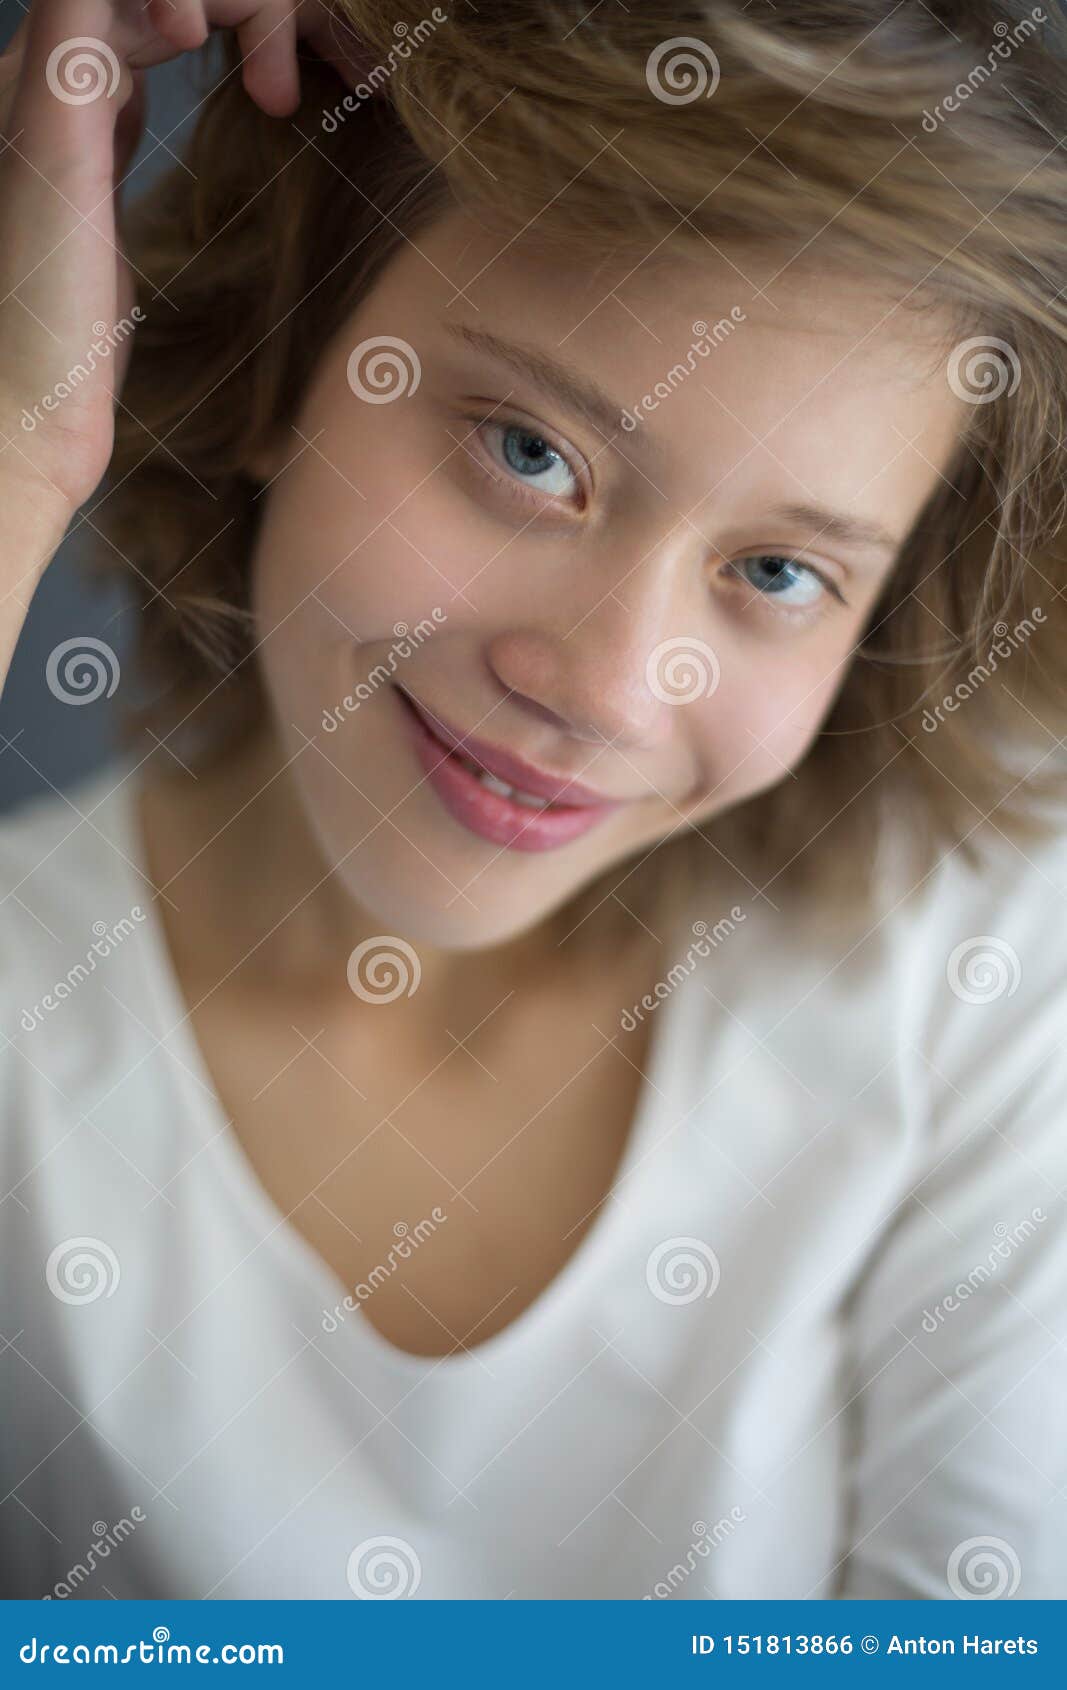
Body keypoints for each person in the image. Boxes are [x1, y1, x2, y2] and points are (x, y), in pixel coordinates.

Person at [1, 0, 1065, 1602]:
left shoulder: (977, 973)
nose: (613, 689)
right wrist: (17, 446)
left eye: (779, 571)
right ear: (297, 352)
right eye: (528, 450)